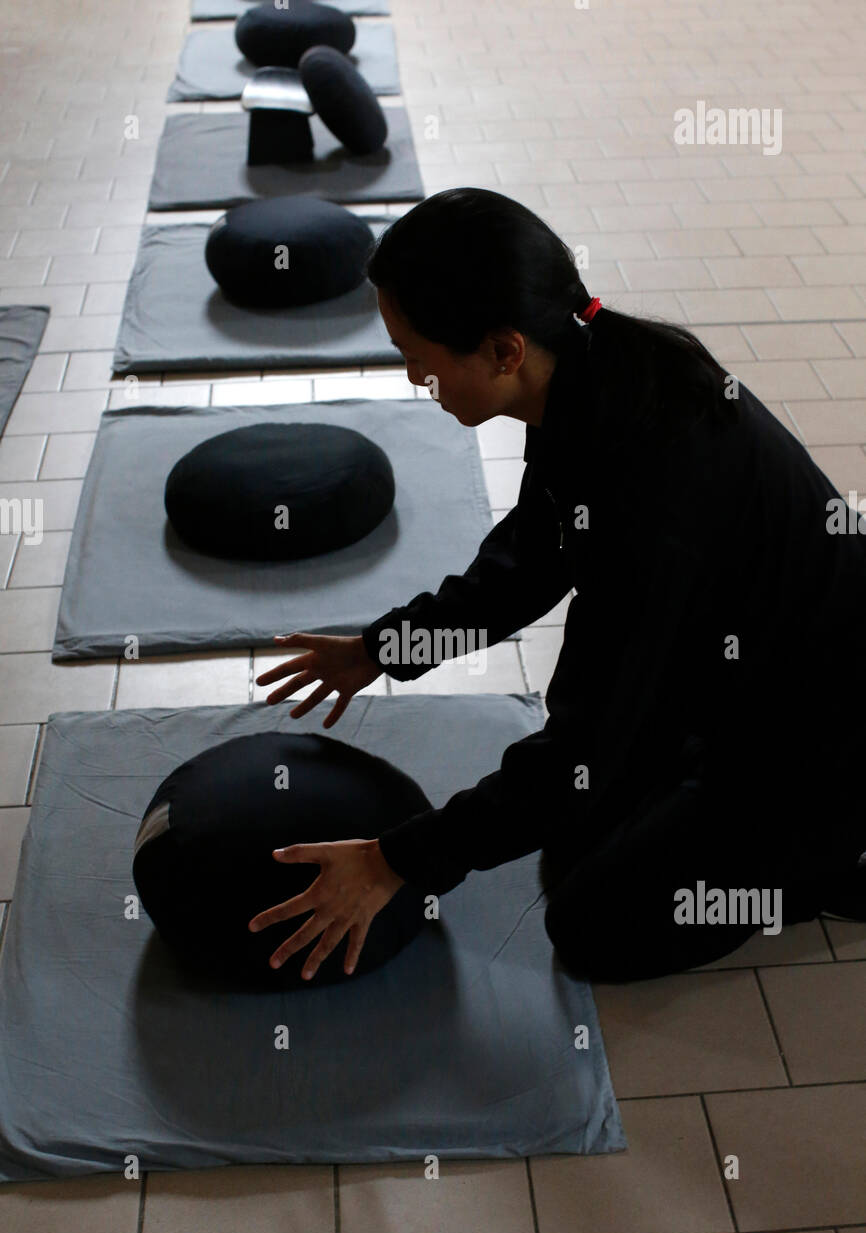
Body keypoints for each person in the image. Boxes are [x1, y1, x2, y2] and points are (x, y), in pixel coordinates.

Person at [249, 186, 866, 984]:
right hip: (739, 676)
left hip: (824, 729)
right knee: (569, 837)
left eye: (417, 357)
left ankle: (830, 863)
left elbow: (586, 736)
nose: (412, 378)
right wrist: (384, 649)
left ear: (503, 350)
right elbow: (528, 559)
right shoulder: (589, 370)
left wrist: (397, 861)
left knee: (594, 926)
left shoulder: (650, 483)